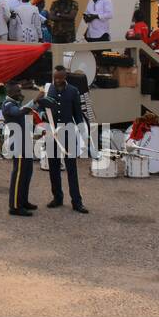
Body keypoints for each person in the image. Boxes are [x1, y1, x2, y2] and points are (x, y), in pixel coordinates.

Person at [40, 66, 89, 213]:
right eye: (55, 78)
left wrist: (83, 133)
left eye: (60, 78)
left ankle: (77, 202)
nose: (57, 81)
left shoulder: (73, 91)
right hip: (52, 133)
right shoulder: (49, 89)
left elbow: (78, 115)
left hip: (68, 133)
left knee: (71, 169)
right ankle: (57, 197)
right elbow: (44, 107)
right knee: (53, 168)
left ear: (65, 77)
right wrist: (42, 114)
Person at [2, 82, 39, 216]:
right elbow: (18, 113)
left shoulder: (15, 103)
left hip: (25, 143)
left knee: (27, 173)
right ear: (11, 93)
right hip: (18, 144)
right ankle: (15, 206)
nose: (20, 94)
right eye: (17, 92)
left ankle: (23, 200)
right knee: (19, 175)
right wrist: (34, 100)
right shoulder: (8, 105)